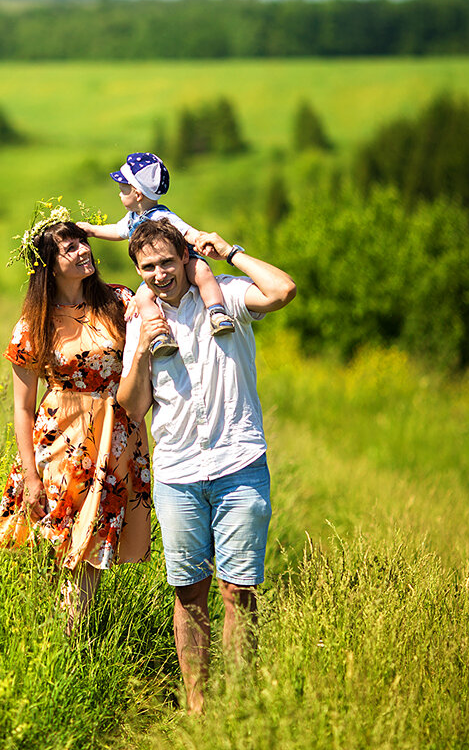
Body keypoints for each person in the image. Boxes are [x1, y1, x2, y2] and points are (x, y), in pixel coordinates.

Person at [116, 218, 296, 714]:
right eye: (147, 267)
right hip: (178, 472)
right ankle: (198, 707)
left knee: (238, 589)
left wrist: (231, 251)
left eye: (167, 262)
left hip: (239, 461)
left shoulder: (229, 296)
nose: (159, 274)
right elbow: (132, 406)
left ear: (185, 260)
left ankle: (239, 703)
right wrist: (142, 354)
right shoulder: (141, 318)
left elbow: (283, 291)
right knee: (188, 591)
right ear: (138, 270)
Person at [0, 207, 153, 633]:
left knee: (92, 546)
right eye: (70, 247)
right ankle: (44, 641)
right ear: (48, 264)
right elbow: (22, 407)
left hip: (113, 438)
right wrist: (29, 477)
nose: (84, 250)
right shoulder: (33, 324)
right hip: (58, 441)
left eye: (83, 241)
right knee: (53, 545)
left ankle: (70, 644)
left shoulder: (119, 302)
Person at [76, 152, 234, 358]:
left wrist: (203, 241)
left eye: (123, 190)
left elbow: (188, 232)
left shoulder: (163, 216)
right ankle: (160, 334)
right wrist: (92, 230)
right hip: (158, 271)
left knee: (203, 272)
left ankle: (217, 312)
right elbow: (117, 231)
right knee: (141, 298)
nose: (119, 194)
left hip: (183, 261)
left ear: (137, 193)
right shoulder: (132, 219)